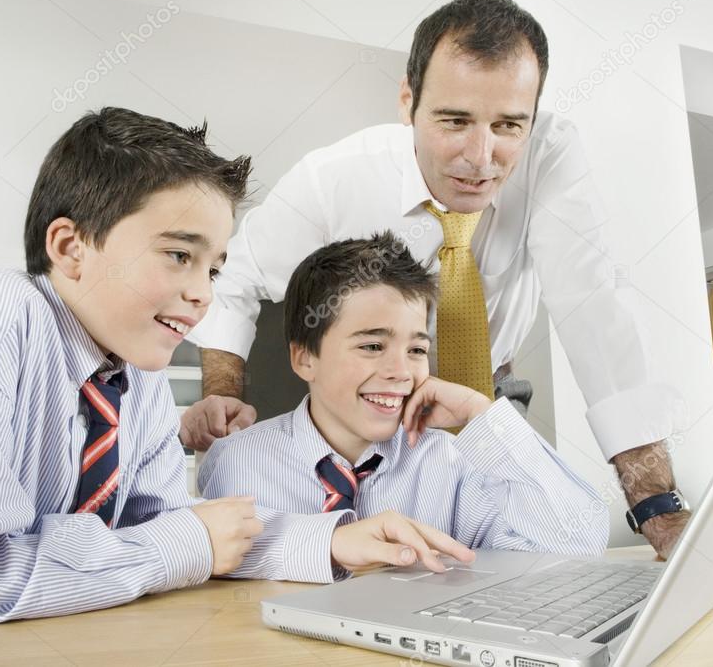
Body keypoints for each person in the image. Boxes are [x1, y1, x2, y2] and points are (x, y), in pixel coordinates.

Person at [180, 0, 713, 574]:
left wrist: (660, 512)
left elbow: (592, 311)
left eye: (508, 126)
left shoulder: (551, 155)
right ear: (407, 101)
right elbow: (234, 280)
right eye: (454, 120)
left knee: (505, 548)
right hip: (333, 383)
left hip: (481, 390)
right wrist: (221, 394)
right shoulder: (332, 178)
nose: (480, 159)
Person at [0, 108, 474, 623]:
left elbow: (172, 529)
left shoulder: (136, 375)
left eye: (214, 267)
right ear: (70, 247)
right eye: (179, 256)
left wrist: (329, 542)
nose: (203, 293)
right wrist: (174, 546)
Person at [199, 233, 609, 557]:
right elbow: (223, 559)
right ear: (305, 358)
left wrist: (484, 416)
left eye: (416, 350)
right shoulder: (238, 461)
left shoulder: (449, 463)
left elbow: (578, 543)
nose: (400, 372)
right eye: (372, 346)